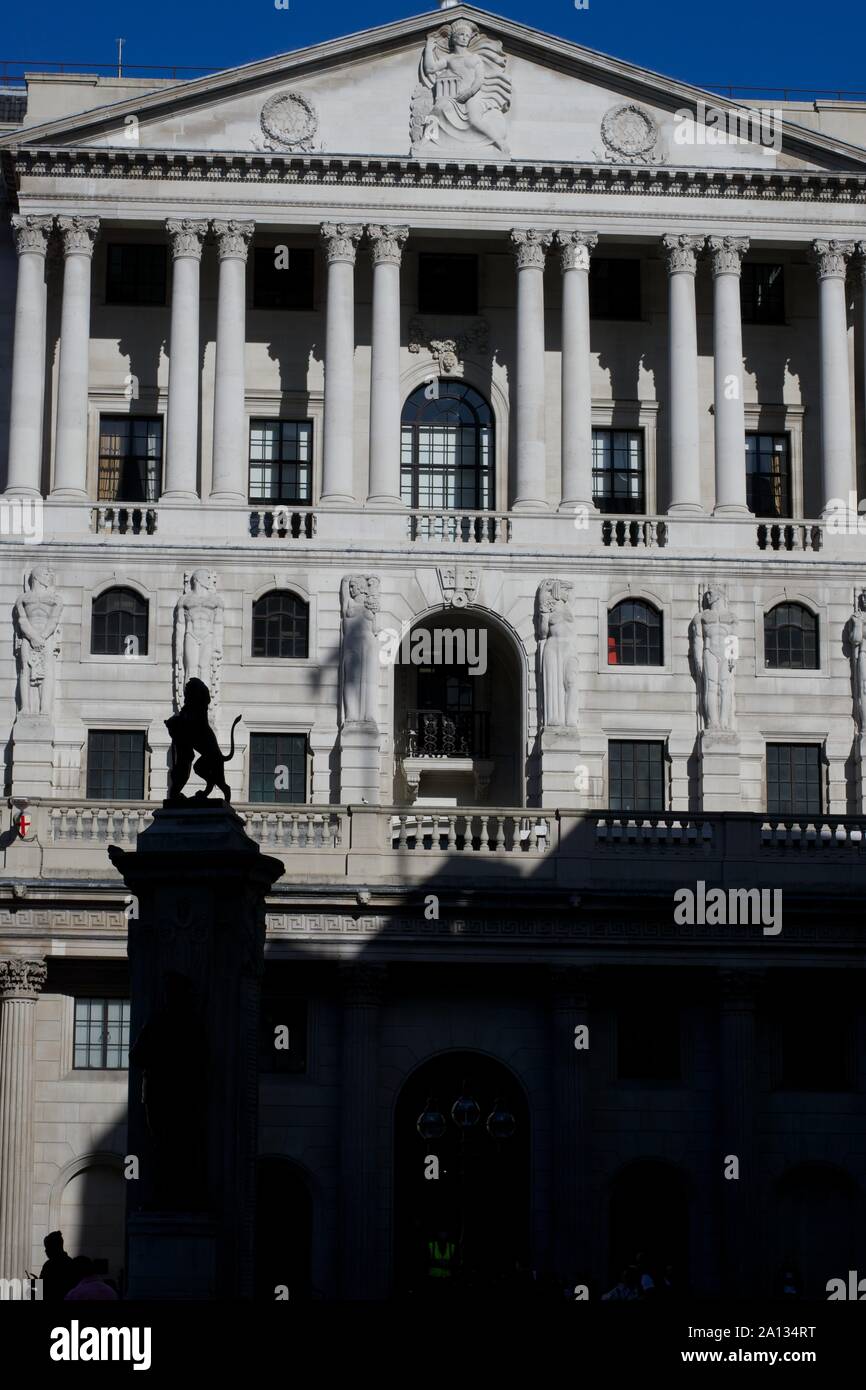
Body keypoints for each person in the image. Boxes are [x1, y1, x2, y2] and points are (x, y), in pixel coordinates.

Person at [39, 1230, 75, 1302]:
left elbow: (39, 1294)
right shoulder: (72, 1263)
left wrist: (35, 1284)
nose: (45, 1251)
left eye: (47, 1248)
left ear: (54, 1247)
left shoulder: (48, 1266)